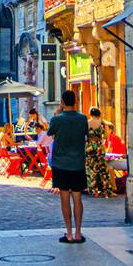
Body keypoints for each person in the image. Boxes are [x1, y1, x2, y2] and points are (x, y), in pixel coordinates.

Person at [47, 91, 89, 243]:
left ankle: (69, 234)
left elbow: (50, 133)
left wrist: (57, 113)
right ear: (76, 101)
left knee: (65, 198)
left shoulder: (56, 119)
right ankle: (78, 233)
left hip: (61, 163)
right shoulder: (83, 118)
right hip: (77, 163)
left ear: (62, 102)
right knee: (77, 197)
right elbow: (85, 134)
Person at [85, 107, 113, 197]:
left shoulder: (87, 123)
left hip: (90, 146)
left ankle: (94, 190)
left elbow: (84, 134)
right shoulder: (103, 123)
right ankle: (106, 189)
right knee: (102, 168)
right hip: (99, 146)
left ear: (91, 114)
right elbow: (106, 136)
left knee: (91, 168)